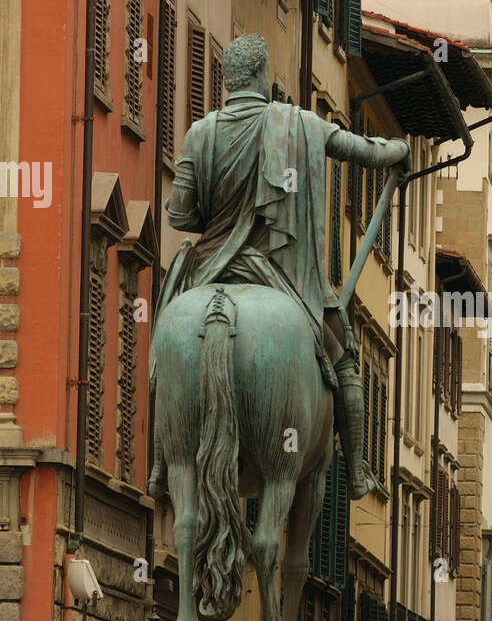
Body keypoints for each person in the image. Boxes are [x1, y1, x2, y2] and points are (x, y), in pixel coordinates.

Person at [150, 34, 410, 500]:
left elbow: (180, 215)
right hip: (283, 274)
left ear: (228, 79)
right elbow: (364, 151)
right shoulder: (298, 124)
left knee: (163, 350)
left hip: (211, 272)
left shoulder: (199, 134)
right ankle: (355, 470)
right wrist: (398, 152)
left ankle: (158, 461)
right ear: (260, 75)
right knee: (346, 360)